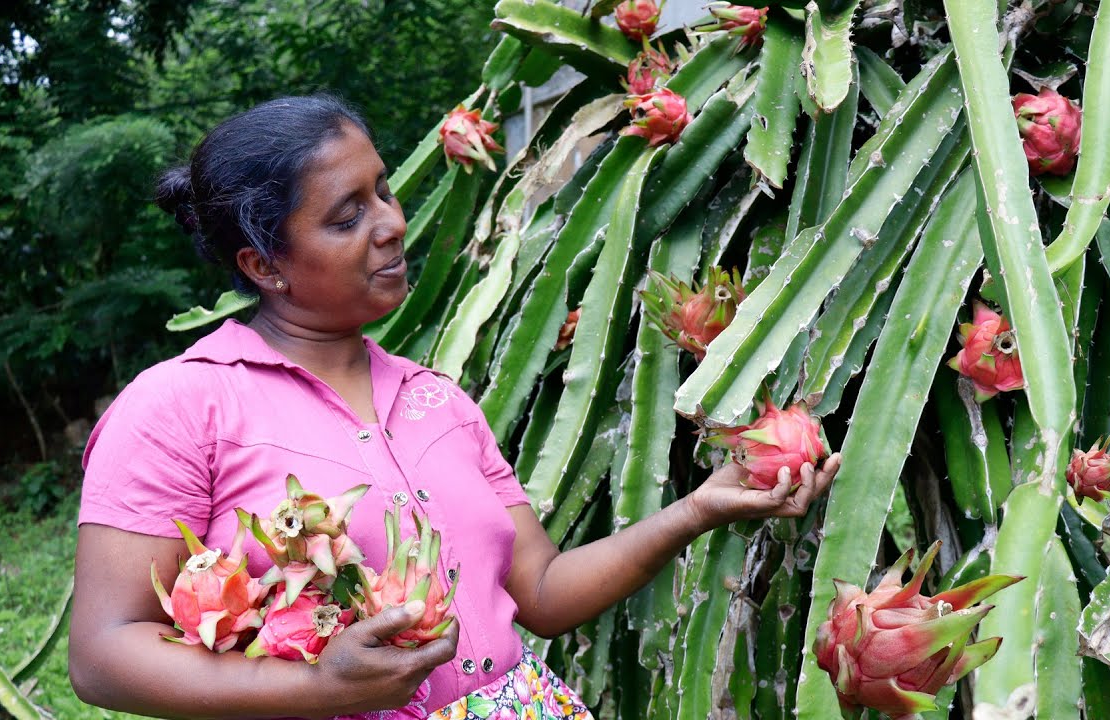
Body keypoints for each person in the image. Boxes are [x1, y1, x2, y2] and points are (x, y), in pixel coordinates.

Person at [68, 94, 840, 720]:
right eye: (347, 217)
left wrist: (698, 511)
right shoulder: (181, 406)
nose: (393, 224)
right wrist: (314, 690)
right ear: (263, 264)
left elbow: (539, 594)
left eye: (385, 191)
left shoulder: (434, 398)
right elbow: (103, 655)